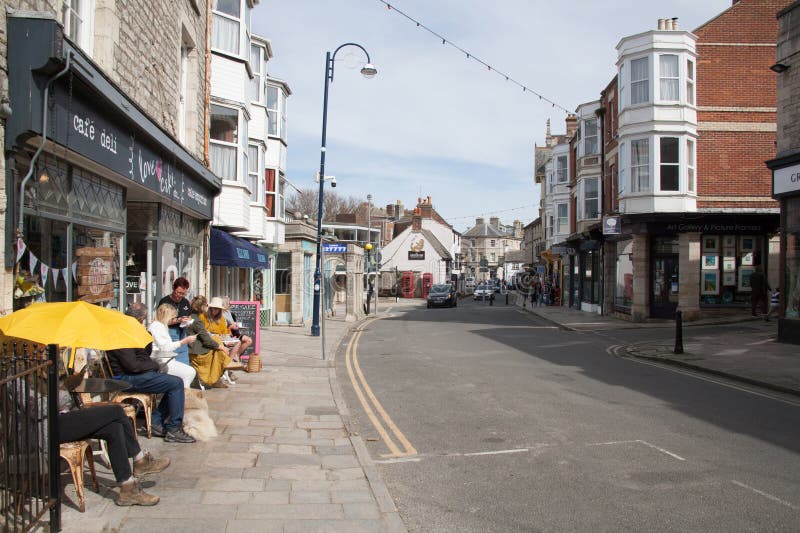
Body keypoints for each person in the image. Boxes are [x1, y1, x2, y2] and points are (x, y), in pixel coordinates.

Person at [107, 306, 196, 443]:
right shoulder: (122, 336)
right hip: (126, 378)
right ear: (139, 319)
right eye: (142, 320)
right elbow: (132, 365)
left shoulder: (130, 332)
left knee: (174, 382)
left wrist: (145, 336)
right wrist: (154, 366)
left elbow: (145, 353)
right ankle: (173, 428)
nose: (143, 322)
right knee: (176, 383)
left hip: (135, 374)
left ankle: (156, 422)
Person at [59, 403, 169, 506]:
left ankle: (128, 488)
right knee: (117, 411)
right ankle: (140, 461)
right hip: (56, 424)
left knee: (114, 428)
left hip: (65, 417)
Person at [186, 295, 234, 388]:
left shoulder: (194, 317)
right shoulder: (198, 319)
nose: (207, 308)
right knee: (218, 350)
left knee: (217, 342)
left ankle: (219, 372)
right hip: (196, 349)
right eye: (206, 305)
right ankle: (218, 374)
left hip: (199, 344)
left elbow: (219, 333)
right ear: (202, 307)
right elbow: (206, 339)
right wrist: (222, 347)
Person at [147, 303, 198, 388]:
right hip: (161, 361)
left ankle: (182, 391)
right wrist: (184, 341)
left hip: (163, 360)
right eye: (173, 318)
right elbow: (166, 347)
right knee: (189, 372)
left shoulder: (159, 326)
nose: (174, 320)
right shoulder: (157, 326)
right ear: (166, 317)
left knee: (188, 372)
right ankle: (183, 392)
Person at [157, 277, 193, 366]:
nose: (180, 296)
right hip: (170, 333)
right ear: (173, 289)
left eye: (183, 293)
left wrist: (188, 321)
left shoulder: (185, 302)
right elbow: (161, 320)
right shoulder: (165, 301)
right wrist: (178, 320)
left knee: (184, 364)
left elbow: (189, 315)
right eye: (179, 292)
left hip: (183, 333)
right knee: (172, 364)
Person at [221, 297, 253, 361]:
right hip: (228, 334)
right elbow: (224, 326)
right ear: (225, 304)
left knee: (249, 340)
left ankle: (236, 355)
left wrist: (235, 324)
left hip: (235, 333)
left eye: (229, 303)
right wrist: (231, 326)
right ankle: (232, 359)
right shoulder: (221, 314)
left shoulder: (229, 312)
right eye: (228, 303)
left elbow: (232, 323)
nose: (230, 305)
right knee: (241, 341)